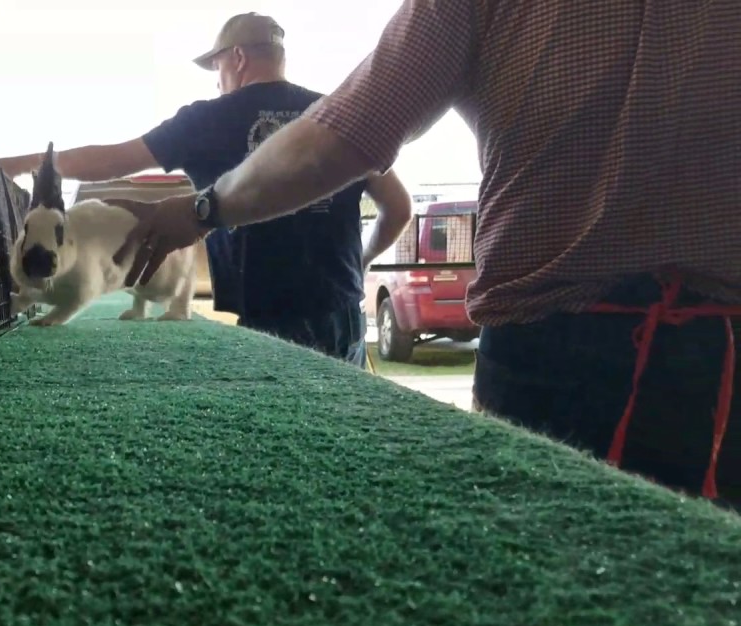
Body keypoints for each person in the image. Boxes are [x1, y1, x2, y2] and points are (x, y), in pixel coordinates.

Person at [116, 2, 741, 505]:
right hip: (724, 349)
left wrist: (201, 209)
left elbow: (346, 136)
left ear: (235, 58)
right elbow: (392, 199)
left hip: (554, 340)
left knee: (531, 583)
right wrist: (357, 267)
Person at [0, 13, 413, 368]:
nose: (218, 83)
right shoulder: (335, 114)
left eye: (217, 69)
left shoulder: (206, 120)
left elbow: (111, 160)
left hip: (268, 315)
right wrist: (362, 262)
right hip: (340, 310)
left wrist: (22, 165)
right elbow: (397, 208)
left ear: (237, 57)